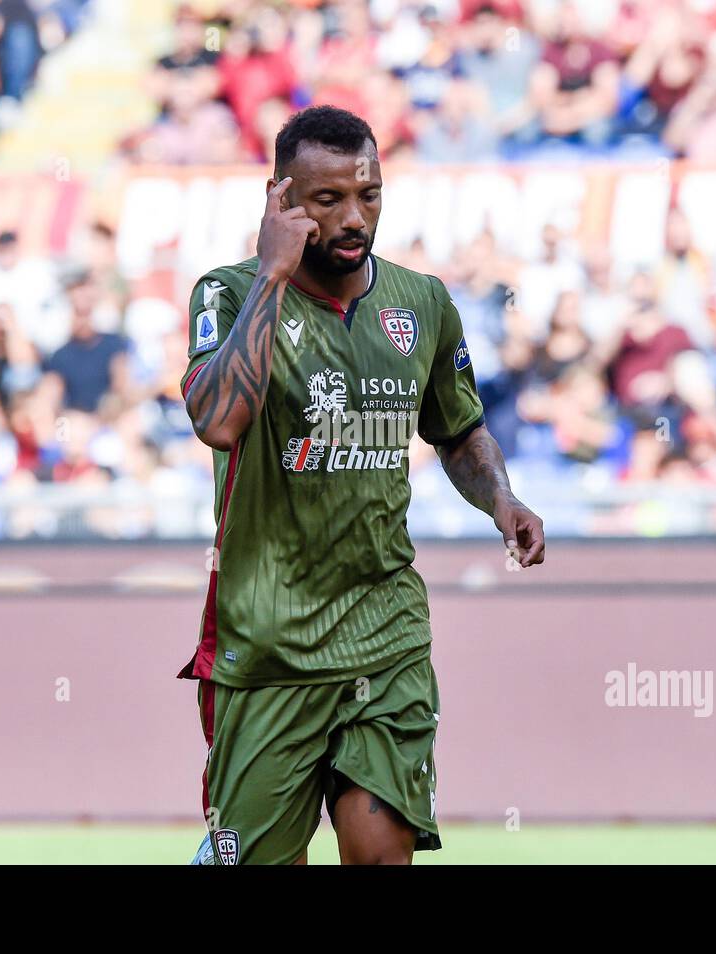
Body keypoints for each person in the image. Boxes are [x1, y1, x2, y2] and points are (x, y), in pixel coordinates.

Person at [178, 105, 545, 865]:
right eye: (327, 200)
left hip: (386, 636)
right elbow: (217, 419)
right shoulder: (227, 293)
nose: (355, 217)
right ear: (279, 198)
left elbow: (458, 431)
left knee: (381, 855)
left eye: (368, 195)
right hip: (269, 645)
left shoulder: (423, 303)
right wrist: (274, 273)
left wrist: (501, 499)